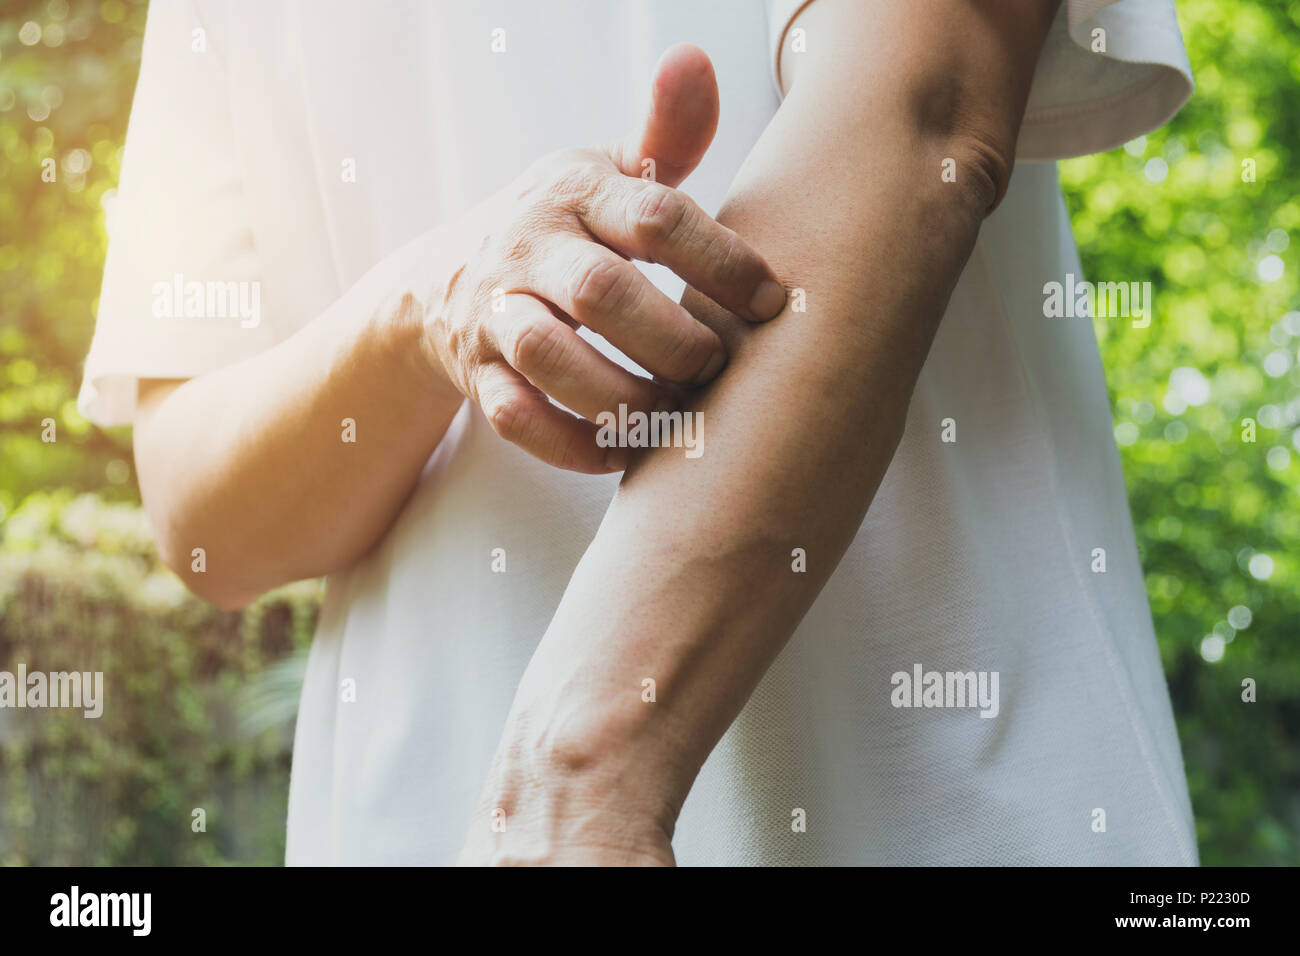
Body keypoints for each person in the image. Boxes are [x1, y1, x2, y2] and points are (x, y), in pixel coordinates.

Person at [80, 0, 1198, 865]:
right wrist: (427, 305)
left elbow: (928, 102)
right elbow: (200, 513)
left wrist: (580, 779)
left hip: (932, 810)